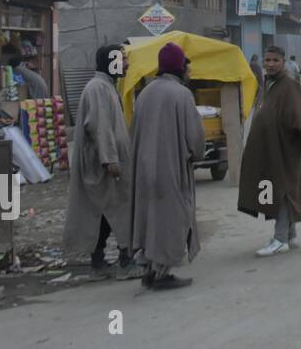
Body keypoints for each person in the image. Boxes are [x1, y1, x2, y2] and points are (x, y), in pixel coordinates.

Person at [128, 42, 206, 290]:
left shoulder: (145, 93)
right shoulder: (182, 95)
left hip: (143, 169)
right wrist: (196, 155)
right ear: (180, 67)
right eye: (188, 67)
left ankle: (149, 269)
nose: (190, 73)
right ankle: (162, 274)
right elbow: (195, 138)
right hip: (170, 169)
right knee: (172, 220)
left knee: (149, 219)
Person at [63, 44, 136, 274]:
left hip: (108, 163)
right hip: (103, 166)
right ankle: (125, 259)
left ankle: (100, 260)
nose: (126, 64)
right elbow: (99, 126)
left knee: (106, 213)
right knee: (118, 210)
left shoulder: (107, 86)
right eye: (122, 59)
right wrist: (110, 160)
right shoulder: (97, 88)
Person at [239, 46, 301, 256]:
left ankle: (280, 239)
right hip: (268, 150)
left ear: (283, 62)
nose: (270, 64)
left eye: (275, 60)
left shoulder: (289, 86)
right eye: (267, 60)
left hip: (284, 151)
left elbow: (297, 119)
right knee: (271, 190)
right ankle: (289, 234)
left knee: (281, 191)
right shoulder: (268, 84)